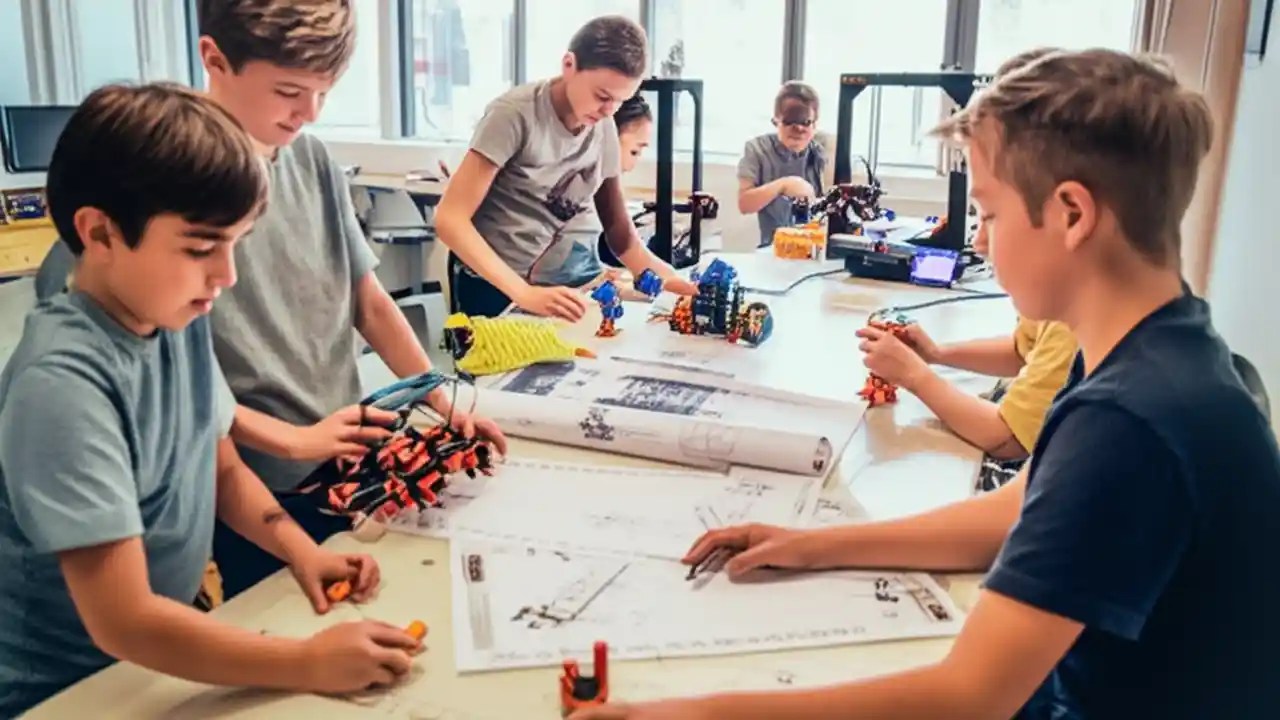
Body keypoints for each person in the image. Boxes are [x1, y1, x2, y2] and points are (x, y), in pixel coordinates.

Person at [570, 49, 1280, 720]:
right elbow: (1015, 512)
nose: (977, 241)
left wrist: (690, 713)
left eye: (991, 214)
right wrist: (809, 544)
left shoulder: (1130, 421)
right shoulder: (1164, 352)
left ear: (1071, 214)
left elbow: (967, 699)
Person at [0, 83, 420, 719]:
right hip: (68, 687)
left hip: (159, 653)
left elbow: (219, 466)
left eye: (235, 244)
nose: (226, 277)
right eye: (201, 249)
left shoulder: (174, 315)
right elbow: (126, 621)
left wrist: (304, 552)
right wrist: (308, 662)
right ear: (99, 233)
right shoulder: (63, 385)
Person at [189, 0, 505, 600]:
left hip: (337, 452)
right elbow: (197, 411)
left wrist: (439, 399)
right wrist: (289, 442)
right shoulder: (174, 186)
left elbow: (371, 303)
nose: (308, 112)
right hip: (254, 483)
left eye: (325, 93)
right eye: (288, 90)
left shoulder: (309, 159)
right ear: (215, 59)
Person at [857, 48, 1077, 464]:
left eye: (989, 216)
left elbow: (1008, 438)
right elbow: (1022, 351)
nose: (977, 242)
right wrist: (937, 353)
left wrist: (915, 375)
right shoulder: (1063, 303)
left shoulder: (1078, 327)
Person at [434, 15, 695, 320]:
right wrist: (524, 293)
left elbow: (620, 234)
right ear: (569, 65)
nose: (609, 111)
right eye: (602, 96)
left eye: (621, 101)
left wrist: (672, 280)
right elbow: (450, 218)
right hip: (496, 289)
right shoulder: (514, 115)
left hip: (561, 291)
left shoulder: (604, 127)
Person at [533, 94, 653, 289]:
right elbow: (545, 273)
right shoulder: (566, 190)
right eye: (634, 152)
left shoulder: (595, 185)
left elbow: (576, 263)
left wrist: (600, 274)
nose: (633, 165)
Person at [737, 81, 826, 248]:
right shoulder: (757, 149)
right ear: (776, 120)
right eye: (790, 121)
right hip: (773, 250)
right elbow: (744, 204)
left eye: (805, 122)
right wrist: (783, 184)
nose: (798, 129)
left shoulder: (823, 153)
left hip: (815, 249)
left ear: (815, 124)